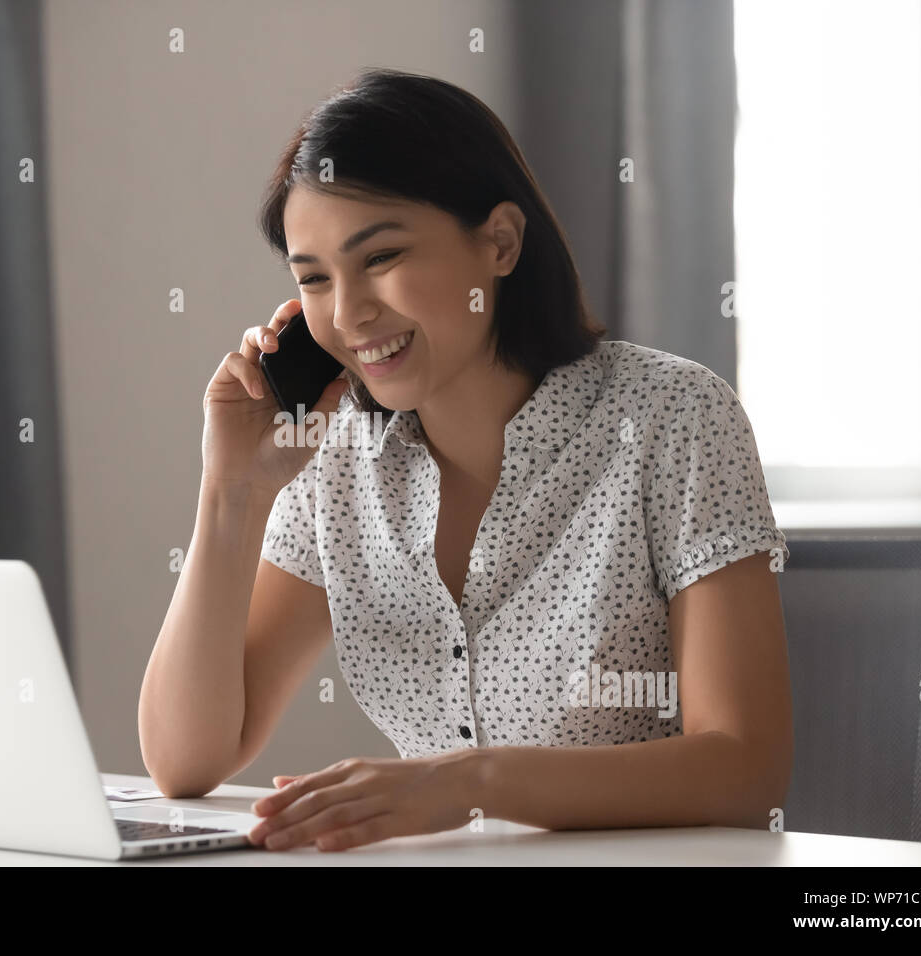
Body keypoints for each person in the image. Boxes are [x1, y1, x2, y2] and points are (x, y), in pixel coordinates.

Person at [139, 67, 792, 853]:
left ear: (501, 243)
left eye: (380, 258)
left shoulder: (673, 417)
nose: (347, 314)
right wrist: (230, 493)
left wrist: (469, 783)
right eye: (313, 280)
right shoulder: (341, 466)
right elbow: (185, 762)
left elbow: (745, 771)